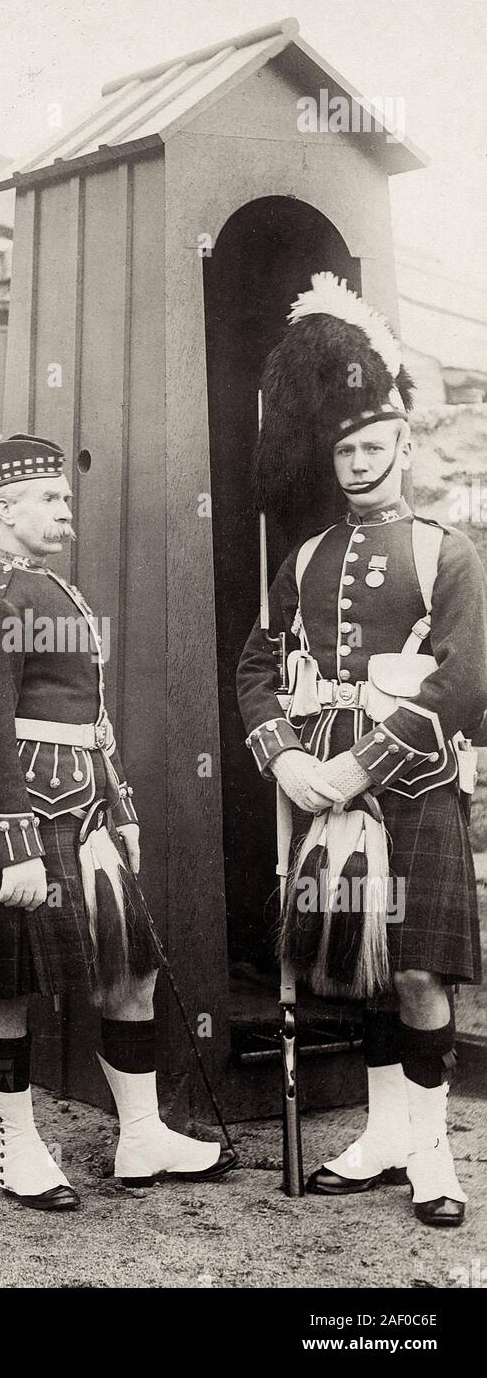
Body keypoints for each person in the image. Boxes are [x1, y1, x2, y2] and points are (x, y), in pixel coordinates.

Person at [237, 273, 487, 1227]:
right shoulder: (301, 559)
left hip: (410, 787)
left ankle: (430, 1154)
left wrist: (360, 765)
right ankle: (382, 1135)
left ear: (404, 445)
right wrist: (283, 758)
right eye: (341, 449)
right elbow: (256, 667)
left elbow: (462, 682)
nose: (353, 465)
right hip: (325, 790)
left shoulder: (445, 553)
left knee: (419, 970)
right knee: (359, 968)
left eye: (370, 446)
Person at [0, 434, 236, 1211]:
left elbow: (91, 720)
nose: (64, 510)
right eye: (47, 497)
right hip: (25, 824)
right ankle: (18, 1148)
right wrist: (13, 850)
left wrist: (123, 806)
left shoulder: (59, 594)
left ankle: (140, 1134)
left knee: (131, 971)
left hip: (90, 819)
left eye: (66, 498)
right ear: (2, 509)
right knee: (9, 989)